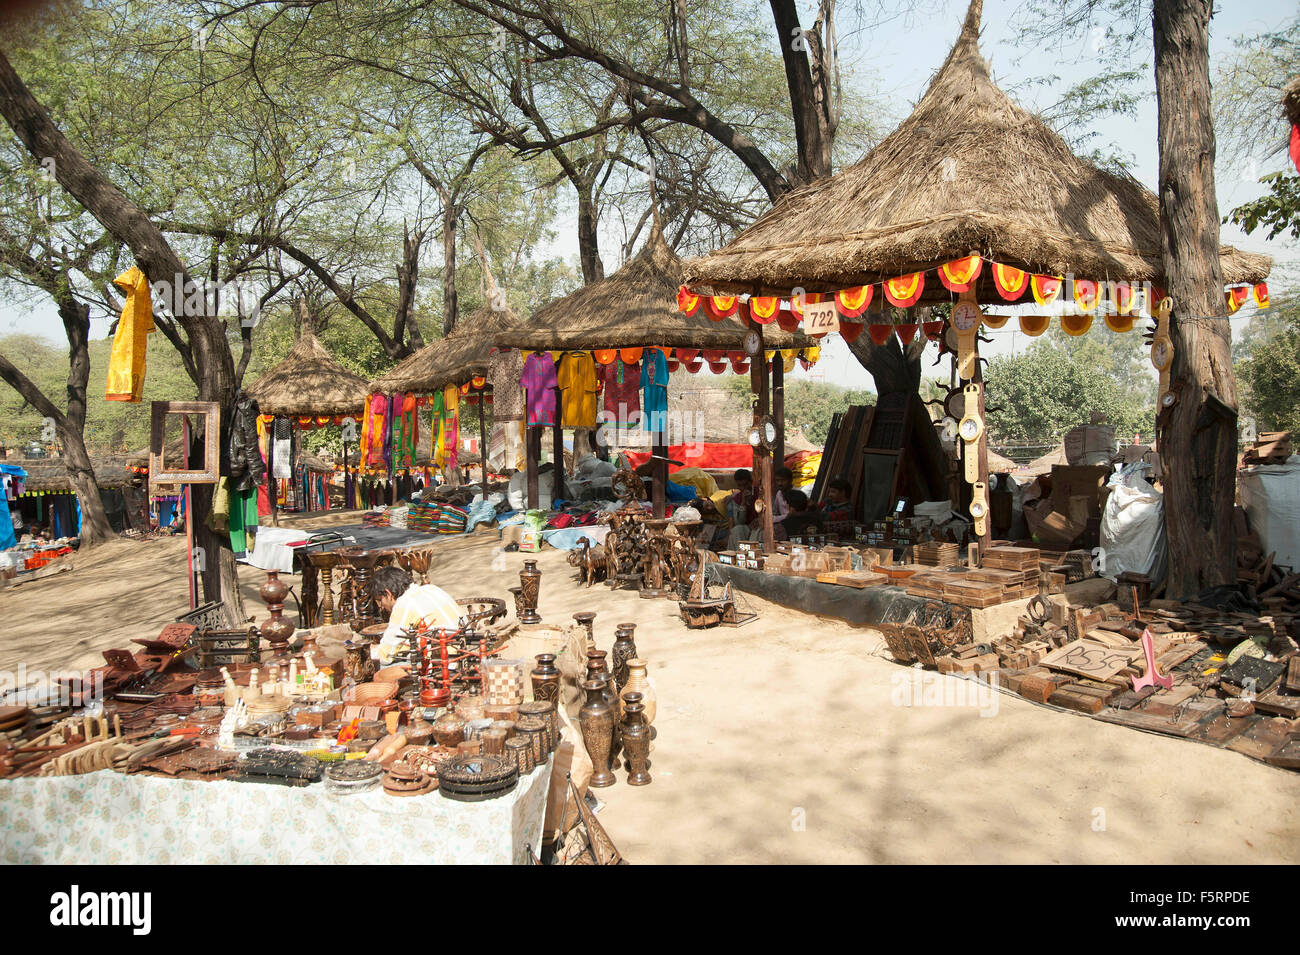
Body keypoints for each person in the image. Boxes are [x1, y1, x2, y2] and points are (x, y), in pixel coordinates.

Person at [371, 564, 462, 665]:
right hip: (463, 651)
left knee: (383, 669)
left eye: (380, 600)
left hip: (446, 662)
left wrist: (369, 651)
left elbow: (385, 655)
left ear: (388, 594)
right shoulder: (431, 589)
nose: (382, 606)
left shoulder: (404, 603)